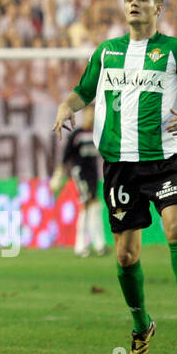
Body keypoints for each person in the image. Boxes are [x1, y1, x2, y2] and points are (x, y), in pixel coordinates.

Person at [52, 0, 177, 354]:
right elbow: (83, 91)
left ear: (158, 8)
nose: (133, 4)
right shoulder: (107, 52)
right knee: (126, 255)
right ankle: (141, 326)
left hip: (163, 159)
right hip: (119, 165)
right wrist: (65, 106)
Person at [50, 102, 106, 257]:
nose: (91, 116)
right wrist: (59, 174)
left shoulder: (98, 133)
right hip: (80, 173)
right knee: (87, 205)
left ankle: (99, 244)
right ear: (84, 114)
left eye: (93, 113)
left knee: (94, 206)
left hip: (93, 174)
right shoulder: (77, 134)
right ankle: (80, 245)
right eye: (88, 113)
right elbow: (66, 157)